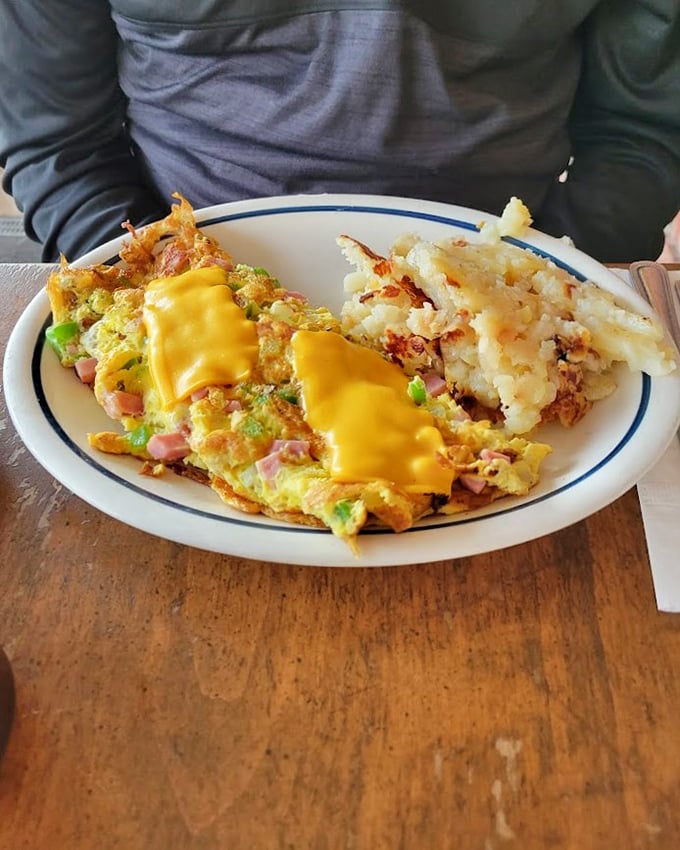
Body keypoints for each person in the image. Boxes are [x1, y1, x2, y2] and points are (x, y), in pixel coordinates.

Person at [0, 0, 678, 265]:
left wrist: (545, 280)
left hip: (517, 277)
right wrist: (157, 289)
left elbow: (641, 132)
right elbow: (60, 145)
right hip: (171, 270)